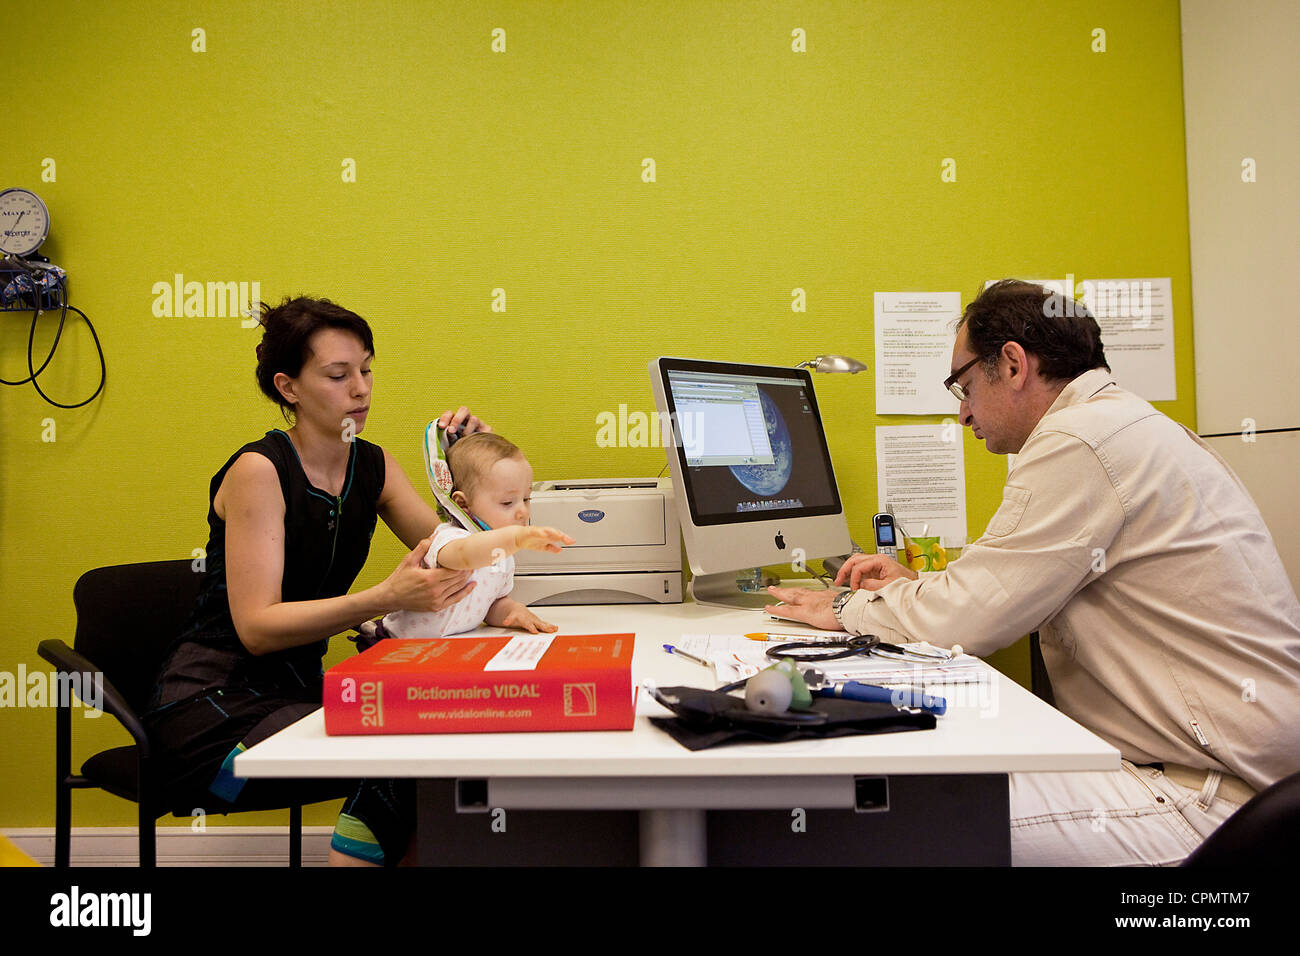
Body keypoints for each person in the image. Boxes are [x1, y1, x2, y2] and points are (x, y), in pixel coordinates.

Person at [767, 279, 1300, 865]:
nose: (963, 412)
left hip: (1208, 800)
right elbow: (1015, 571)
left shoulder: (1082, 440)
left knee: (881, 814)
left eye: (964, 386)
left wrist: (842, 608)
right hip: (1237, 780)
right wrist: (908, 587)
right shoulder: (1127, 426)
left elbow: (967, 617)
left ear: (1014, 364)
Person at [145, 295, 490, 867]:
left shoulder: (373, 465)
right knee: (405, 753)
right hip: (214, 731)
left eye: (366, 369)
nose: (361, 389)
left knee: (432, 746)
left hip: (299, 700)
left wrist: (469, 463)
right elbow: (256, 630)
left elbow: (460, 559)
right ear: (289, 388)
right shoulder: (260, 471)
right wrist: (382, 600)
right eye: (338, 375)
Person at [365, 432, 573, 641]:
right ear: (463, 505)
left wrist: (513, 612)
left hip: (447, 647)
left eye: (526, 499)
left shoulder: (504, 557)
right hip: (396, 643)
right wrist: (515, 539)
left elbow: (492, 604)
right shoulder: (449, 538)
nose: (523, 511)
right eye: (507, 503)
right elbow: (466, 554)